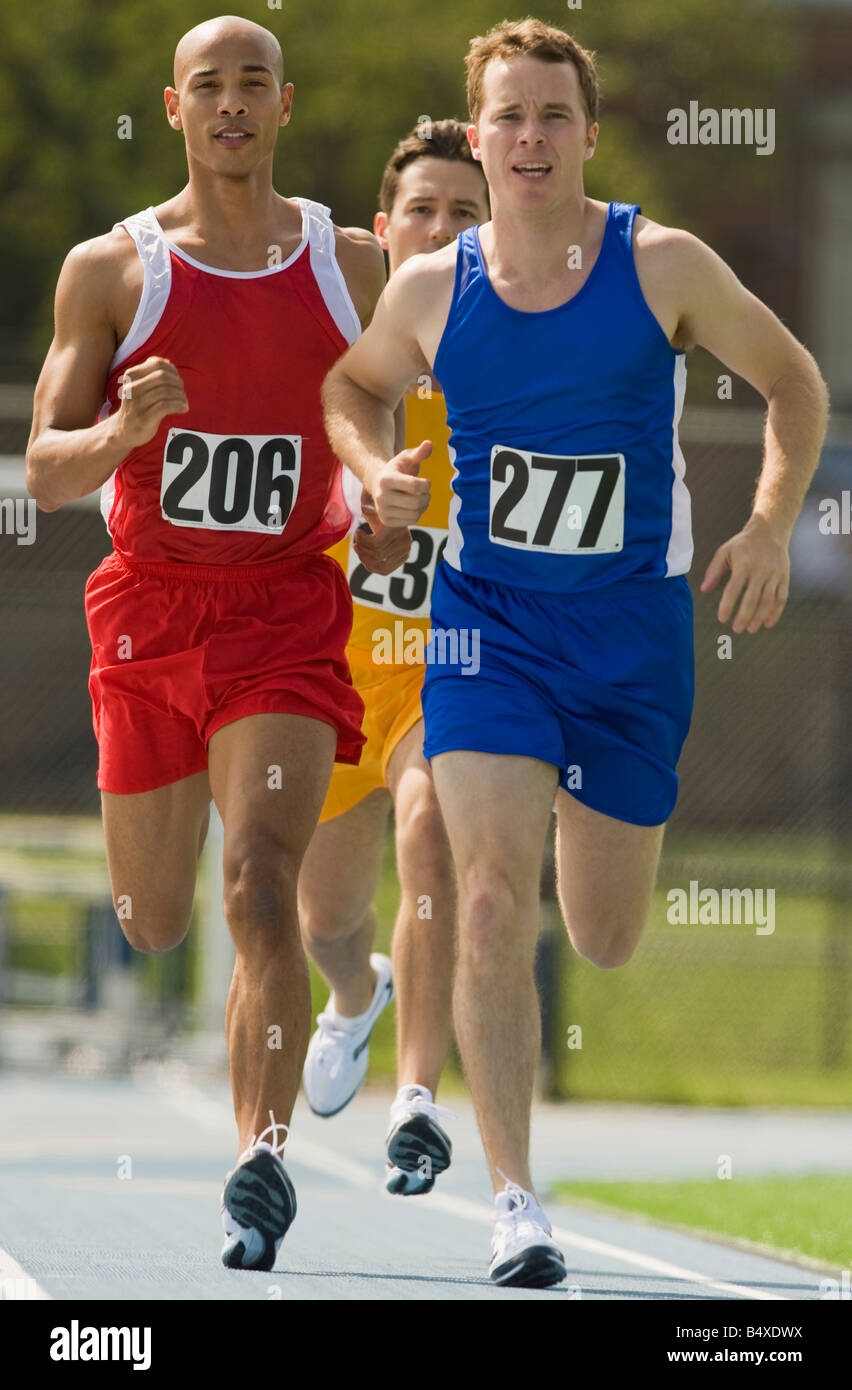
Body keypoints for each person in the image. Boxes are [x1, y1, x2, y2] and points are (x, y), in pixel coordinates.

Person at [320, 17, 830, 1287]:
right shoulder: (435, 286)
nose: (532, 138)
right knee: (488, 890)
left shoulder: (662, 264)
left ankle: (523, 1138)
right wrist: (372, 465)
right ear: (479, 135)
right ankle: (516, 1204)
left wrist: (769, 526)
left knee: (600, 933)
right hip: (490, 624)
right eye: (509, 116)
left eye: (554, 116)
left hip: (632, 636)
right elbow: (348, 383)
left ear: (587, 135)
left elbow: (796, 381)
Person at [25, 14, 407, 1272]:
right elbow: (46, 464)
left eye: (255, 83)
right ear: (176, 108)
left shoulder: (352, 264)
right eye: (210, 86)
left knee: (258, 878)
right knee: (150, 917)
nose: (233, 103)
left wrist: (390, 524)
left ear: (286, 105)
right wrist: (123, 435)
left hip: (287, 614)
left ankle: (263, 1157)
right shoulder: (114, 271)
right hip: (149, 610)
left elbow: (391, 426)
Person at [298, 121, 489, 1197]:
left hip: (445, 670)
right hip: (329, 676)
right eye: (423, 208)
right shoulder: (339, 356)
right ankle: (352, 998)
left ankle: (415, 1098)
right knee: (326, 920)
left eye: (468, 212)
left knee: (429, 835)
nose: (443, 228)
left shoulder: (509, 358)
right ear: (383, 229)